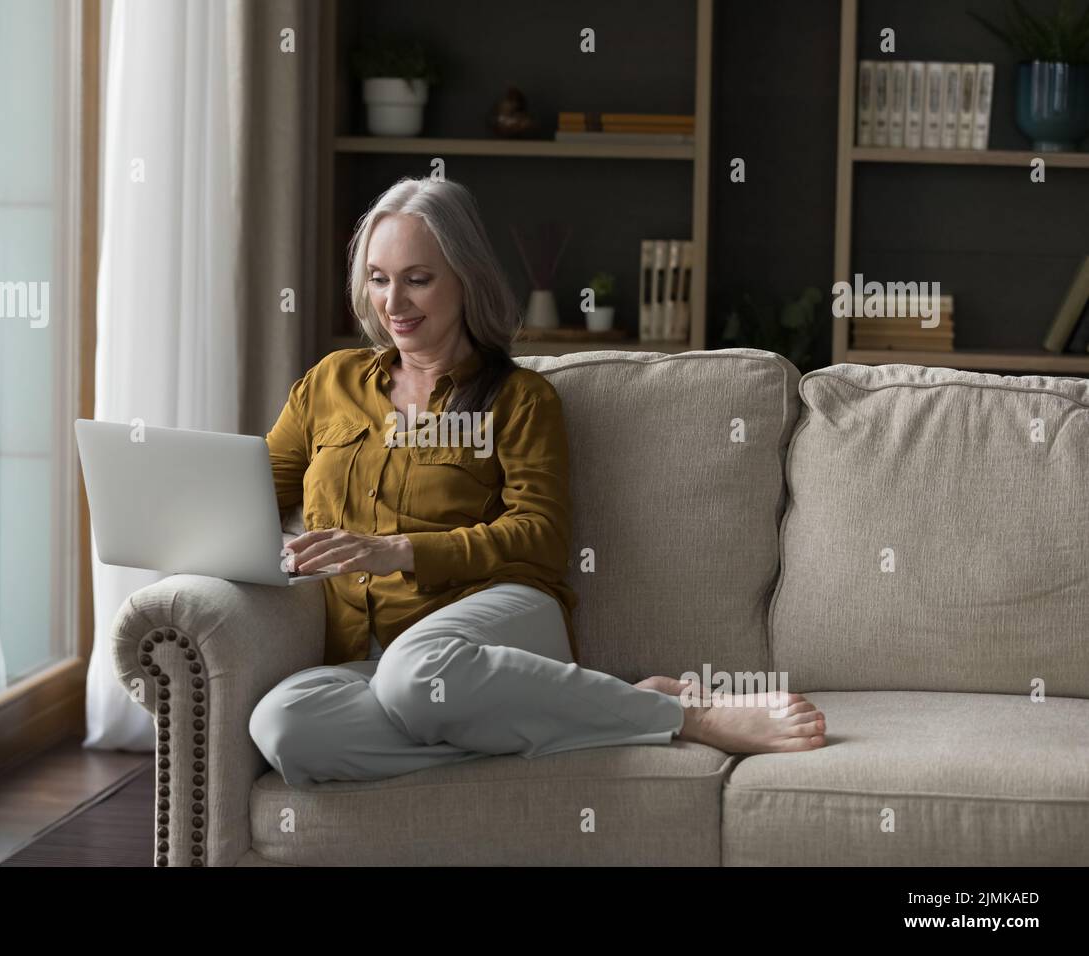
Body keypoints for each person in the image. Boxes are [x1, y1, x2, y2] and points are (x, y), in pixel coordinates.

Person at [248, 176, 827, 788]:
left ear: (466, 277)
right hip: (376, 661)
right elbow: (254, 492)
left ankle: (682, 713)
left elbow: (541, 534)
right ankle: (577, 712)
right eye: (379, 278)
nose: (394, 301)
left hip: (495, 619)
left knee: (416, 675)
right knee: (287, 728)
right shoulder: (329, 384)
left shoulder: (520, 399)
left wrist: (401, 550)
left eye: (418, 278)